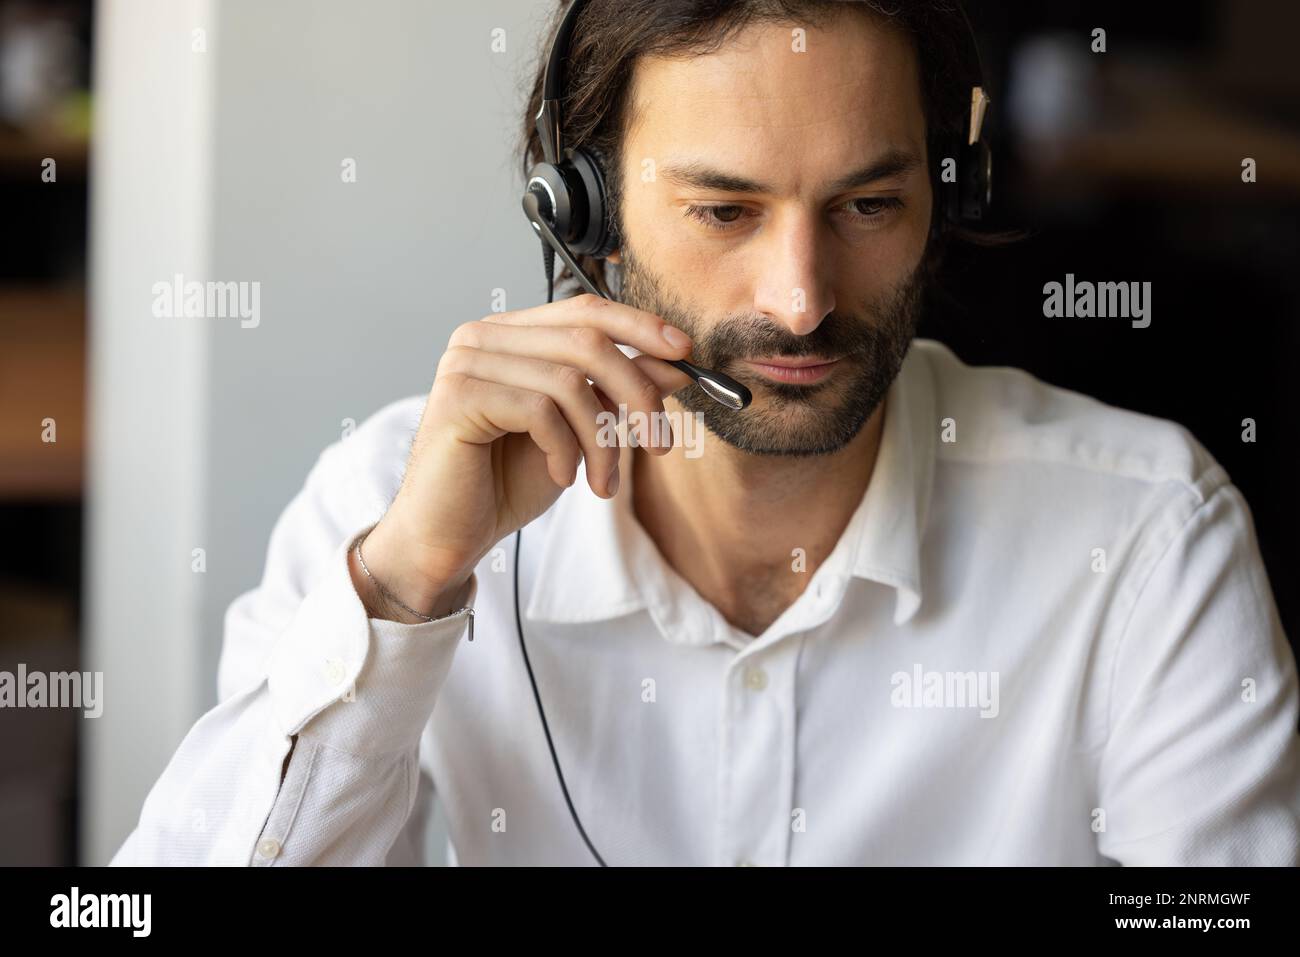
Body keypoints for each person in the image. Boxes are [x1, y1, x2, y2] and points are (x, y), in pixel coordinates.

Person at [111, 0, 1299, 866]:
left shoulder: (1142, 535)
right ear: (582, 215)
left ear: (952, 195)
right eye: (725, 210)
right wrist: (405, 591)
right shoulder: (386, 502)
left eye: (867, 205)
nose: (800, 297)